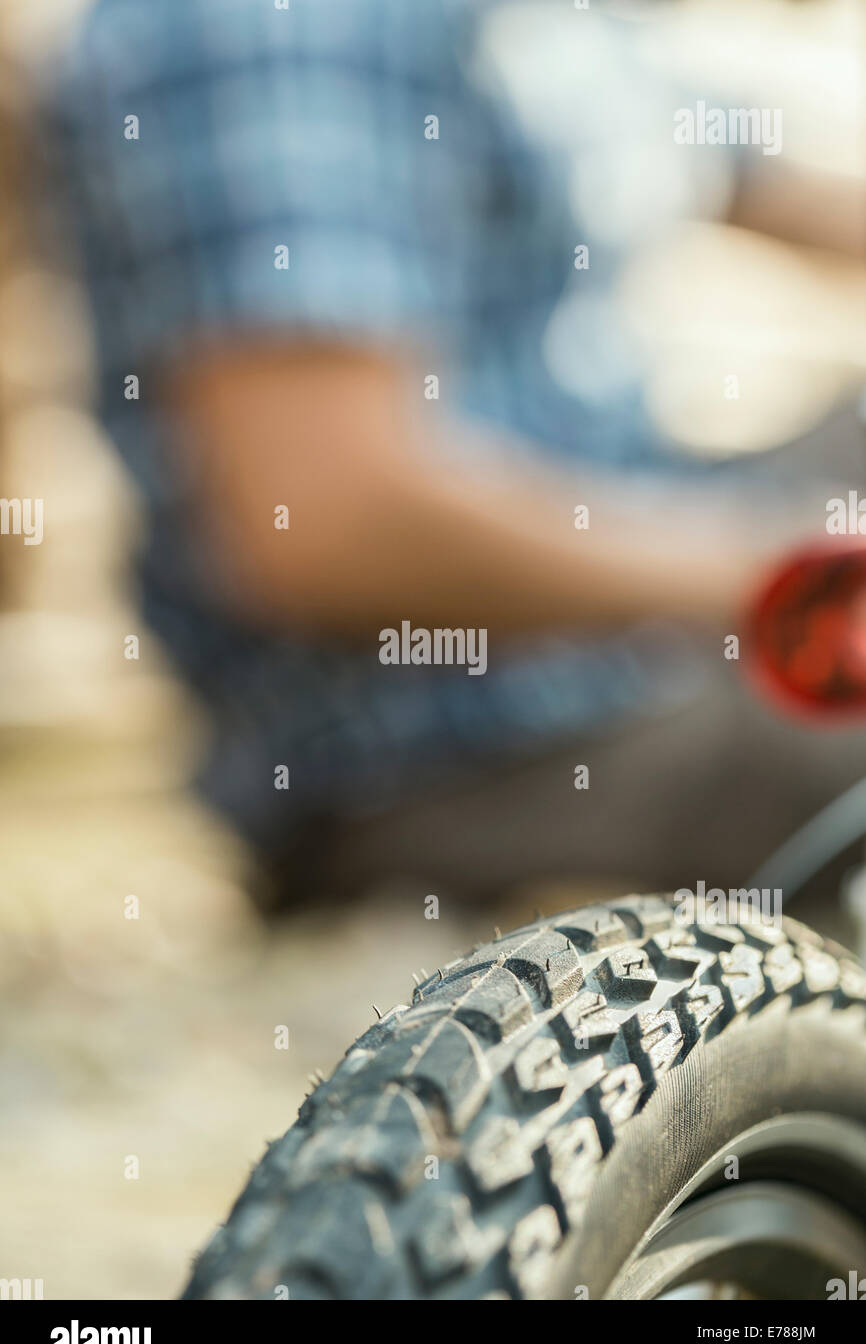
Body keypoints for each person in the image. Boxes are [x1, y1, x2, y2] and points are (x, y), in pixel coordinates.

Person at [43, 0, 866, 913]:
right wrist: (785, 568)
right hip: (479, 750)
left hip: (650, 601)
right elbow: (329, 525)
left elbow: (707, 152)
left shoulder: (520, 26)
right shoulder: (285, 30)